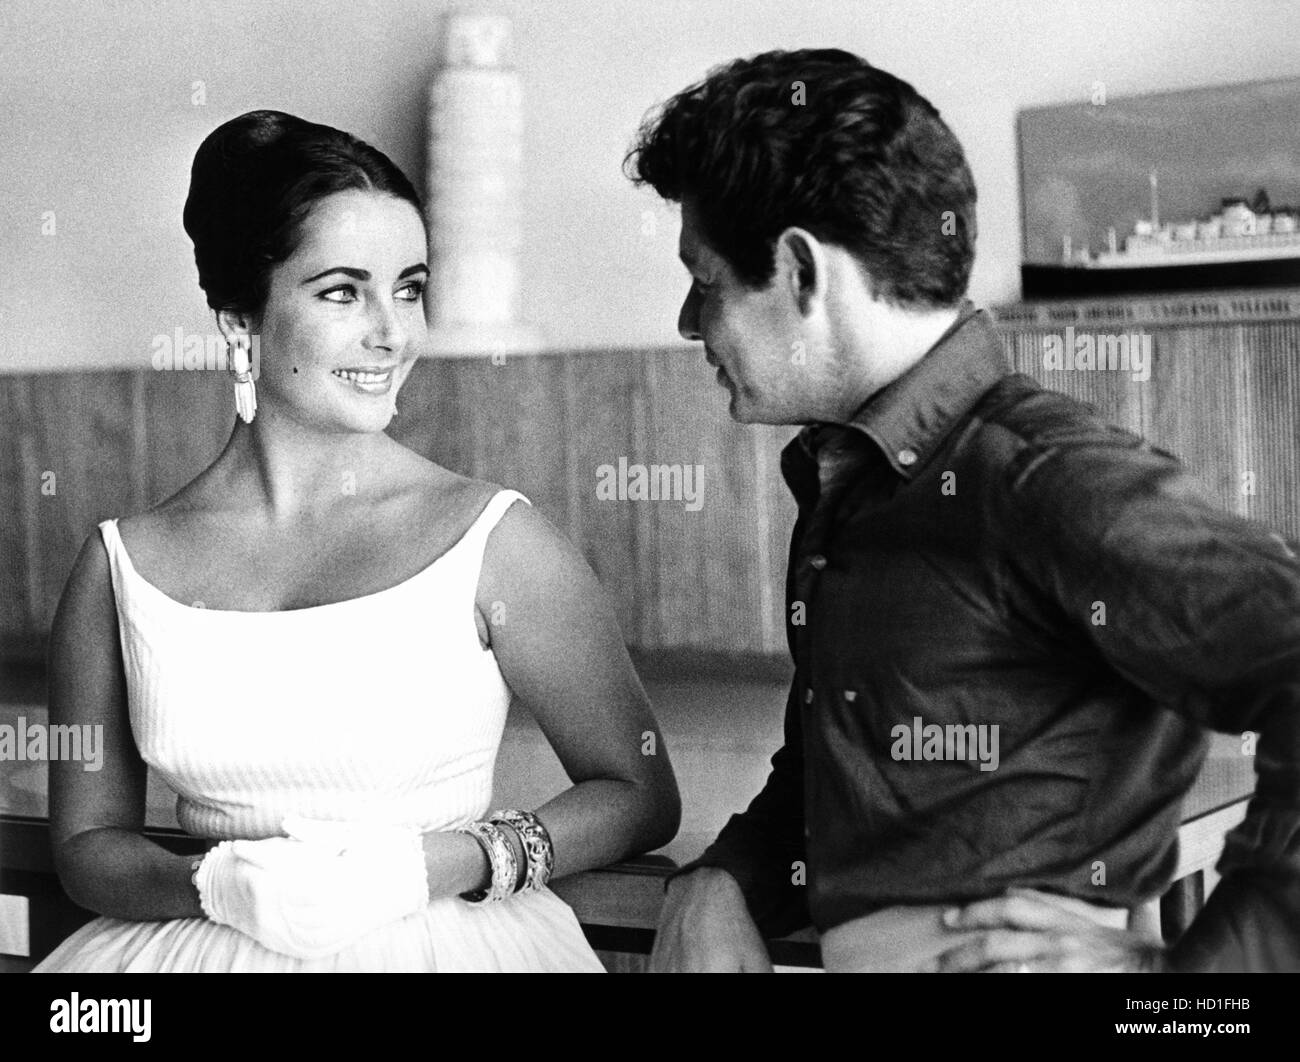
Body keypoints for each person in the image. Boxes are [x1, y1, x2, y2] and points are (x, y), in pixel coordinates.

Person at [627, 49, 1300, 973]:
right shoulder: (847, 483)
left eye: (705, 281)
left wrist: (1194, 979)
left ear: (798, 272)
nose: (685, 320)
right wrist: (727, 877)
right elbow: (842, 772)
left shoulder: (1046, 479)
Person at [35, 109, 680, 973]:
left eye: (409, 288)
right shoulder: (120, 564)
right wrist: (216, 884)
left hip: (448, 945)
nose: (394, 331)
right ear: (239, 318)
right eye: (343, 291)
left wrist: (429, 869)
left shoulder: (494, 539)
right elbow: (86, 848)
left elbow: (639, 794)